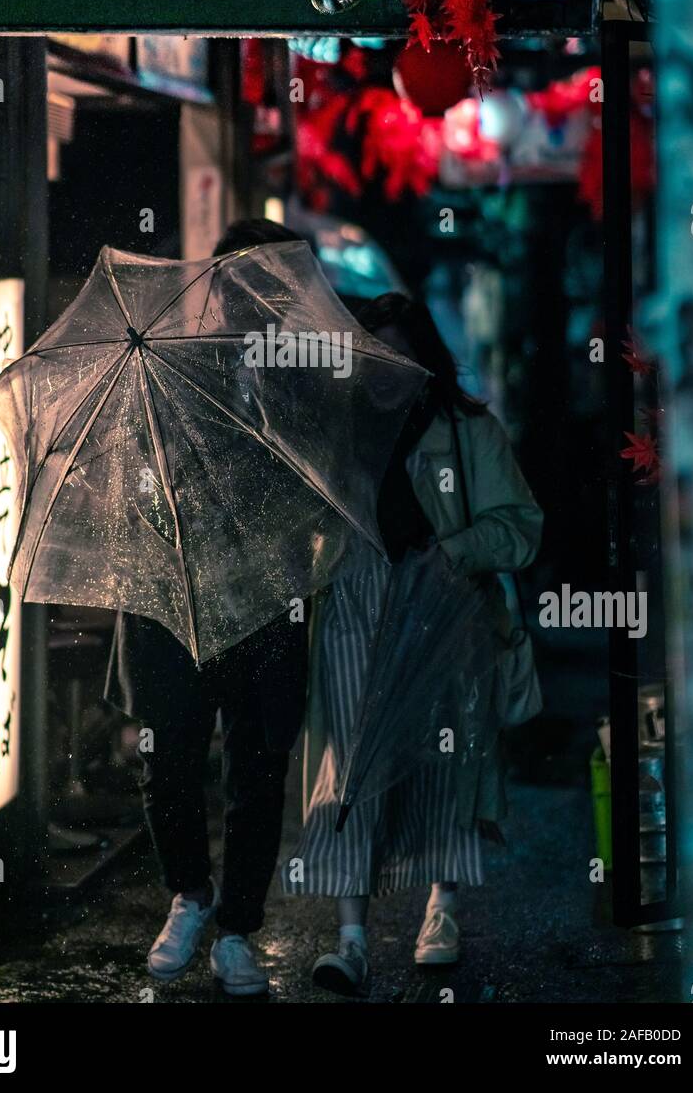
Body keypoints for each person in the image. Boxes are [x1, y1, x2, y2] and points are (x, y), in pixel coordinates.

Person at [283, 292, 543, 998]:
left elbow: (520, 524)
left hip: (443, 608)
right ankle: (352, 938)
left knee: (444, 760)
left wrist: (453, 551)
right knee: (350, 767)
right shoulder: (336, 430)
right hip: (353, 603)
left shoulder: (466, 429)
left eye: (403, 352)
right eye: (377, 354)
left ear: (426, 357)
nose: (390, 368)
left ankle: (442, 911)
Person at [104, 218, 308, 998]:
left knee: (259, 764)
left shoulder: (304, 379)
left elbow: (317, 493)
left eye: (276, 280)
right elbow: (137, 472)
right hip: (173, 591)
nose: (260, 295)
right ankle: (188, 895)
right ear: (220, 284)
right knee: (168, 758)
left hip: (264, 599)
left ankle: (238, 928)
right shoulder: (170, 364)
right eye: (248, 277)